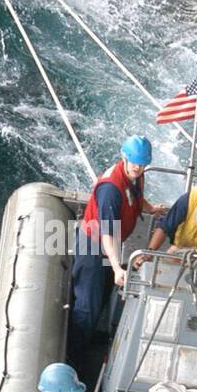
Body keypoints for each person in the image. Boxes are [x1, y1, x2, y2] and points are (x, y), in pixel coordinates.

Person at [68, 135, 163, 361]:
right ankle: (74, 355)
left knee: (101, 294)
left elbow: (136, 197)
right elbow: (106, 235)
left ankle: (89, 336)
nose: (138, 167)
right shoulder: (111, 188)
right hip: (95, 246)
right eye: (134, 163)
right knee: (87, 305)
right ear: (124, 158)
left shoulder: (135, 175)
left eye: (142, 164)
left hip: (110, 244)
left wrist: (150, 208)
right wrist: (116, 268)